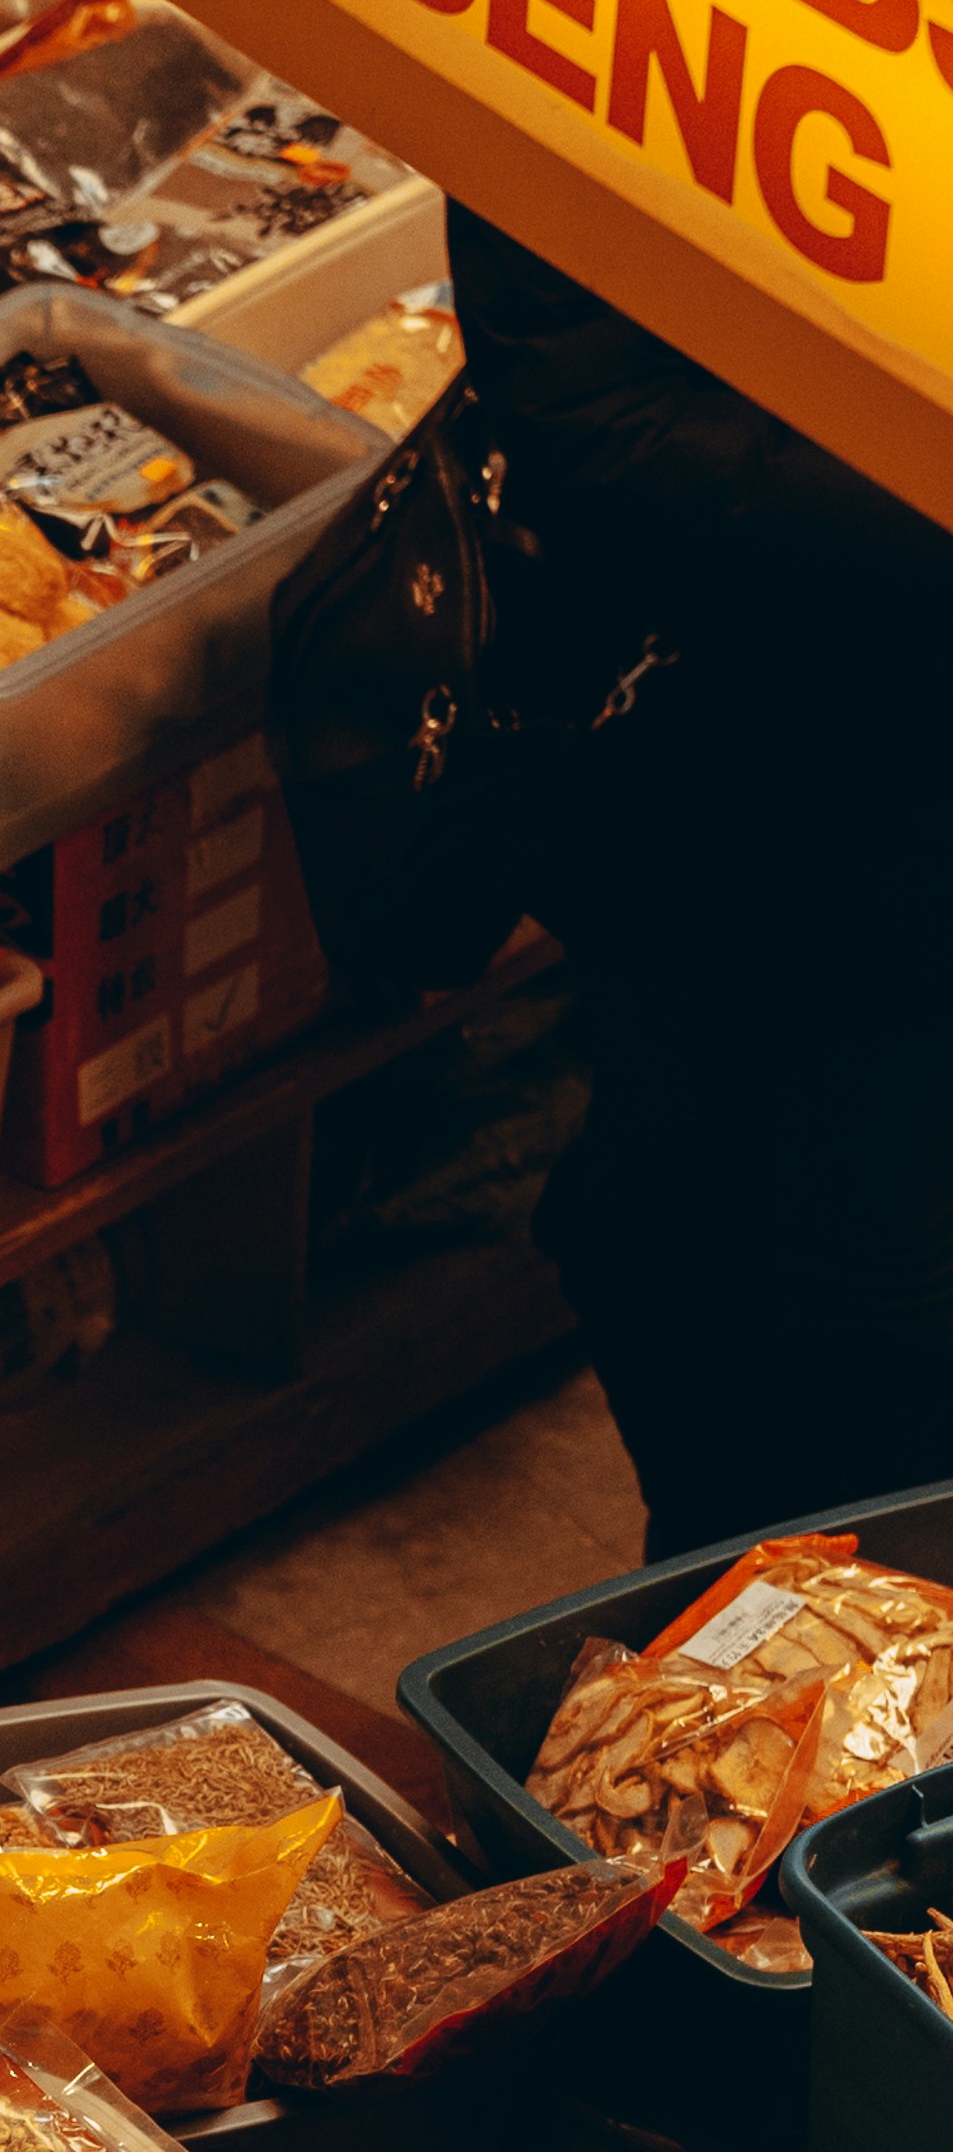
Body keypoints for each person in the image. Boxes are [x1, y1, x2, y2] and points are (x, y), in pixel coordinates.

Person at [430, 204, 953, 1550]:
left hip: (862, 811)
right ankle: (743, 1657)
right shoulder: (596, 38)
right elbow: (588, 412)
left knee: (862, 1284)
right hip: (724, 757)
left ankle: (834, 1670)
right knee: (692, 1235)